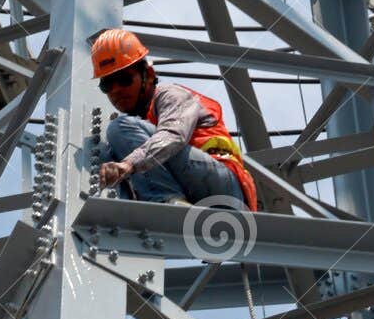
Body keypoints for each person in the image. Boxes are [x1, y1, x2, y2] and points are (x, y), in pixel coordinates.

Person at [92, 27, 257, 210]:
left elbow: (173, 134)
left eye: (124, 79)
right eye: (107, 84)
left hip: (222, 185)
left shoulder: (169, 94)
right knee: (108, 153)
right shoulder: (140, 125)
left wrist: (129, 164)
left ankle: (166, 203)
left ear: (149, 75)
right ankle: (165, 205)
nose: (116, 90)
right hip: (202, 194)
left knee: (118, 129)